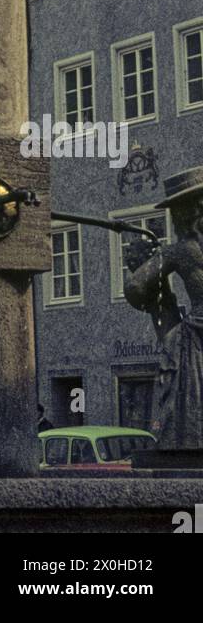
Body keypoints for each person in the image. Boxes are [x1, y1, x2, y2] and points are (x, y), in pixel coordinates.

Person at [124, 165, 203, 449]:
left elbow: (134, 287)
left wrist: (159, 301)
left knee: (189, 399)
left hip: (196, 336)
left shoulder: (181, 251)